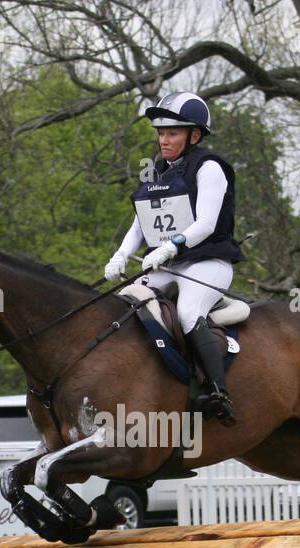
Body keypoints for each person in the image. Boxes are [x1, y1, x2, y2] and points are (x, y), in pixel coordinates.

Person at [103, 91, 244, 426]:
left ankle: (218, 392)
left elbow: (206, 224)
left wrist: (170, 246)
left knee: (187, 312)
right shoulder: (158, 169)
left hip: (208, 264)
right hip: (170, 266)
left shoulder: (209, 167)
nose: (164, 140)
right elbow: (141, 222)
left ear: (194, 135)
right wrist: (121, 255)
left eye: (173, 133)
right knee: (127, 302)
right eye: (161, 133)